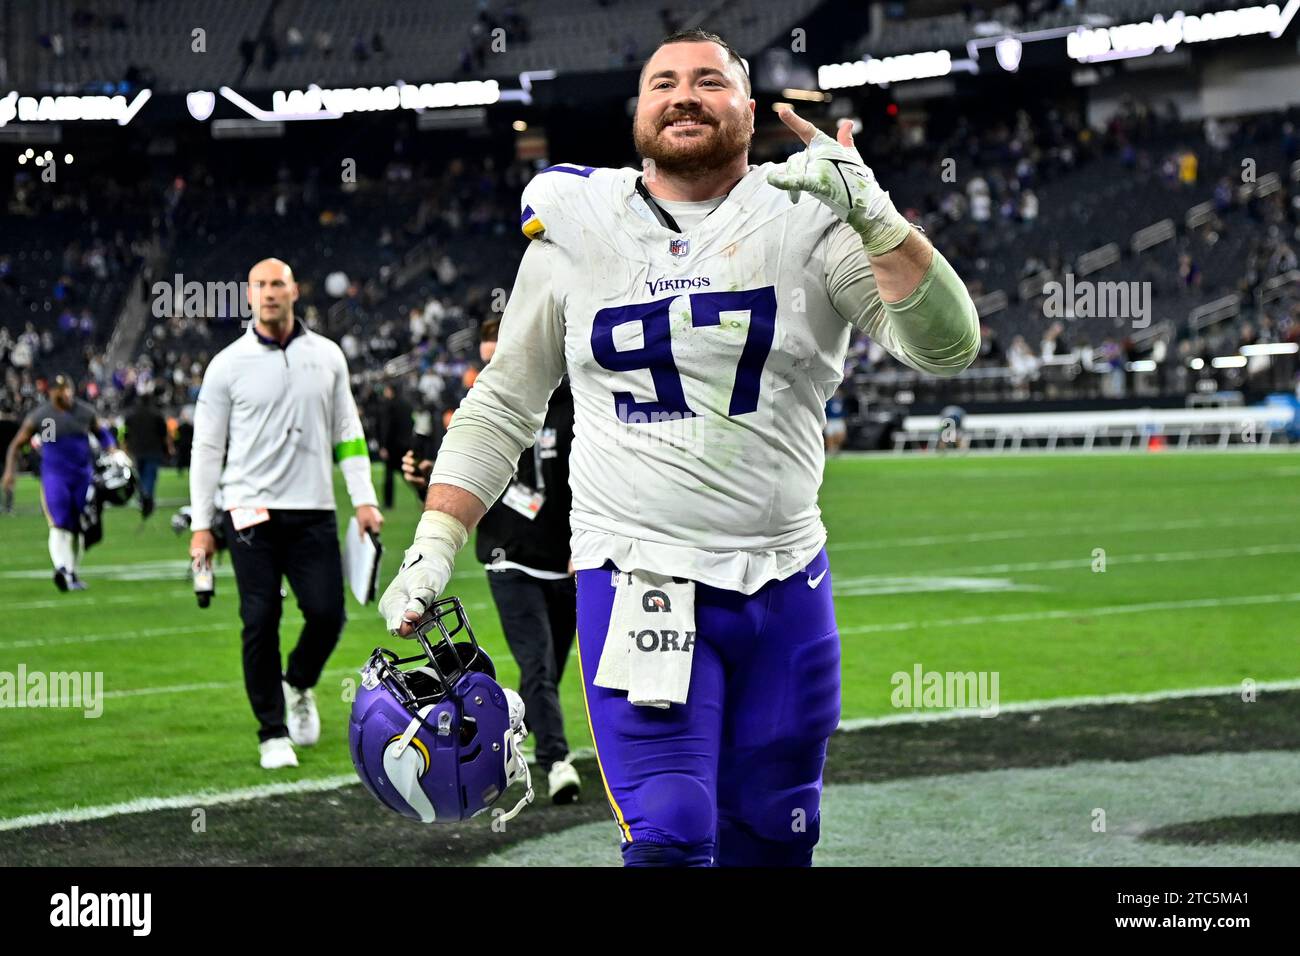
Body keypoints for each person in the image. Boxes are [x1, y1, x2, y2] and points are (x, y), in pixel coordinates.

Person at [379, 29, 979, 866]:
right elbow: (504, 404)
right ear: (638, 110)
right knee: (667, 836)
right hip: (636, 577)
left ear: (749, 107)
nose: (684, 95)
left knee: (775, 834)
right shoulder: (576, 228)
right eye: (663, 82)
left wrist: (880, 221)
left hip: (784, 579)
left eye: (710, 81)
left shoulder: (811, 215)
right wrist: (435, 544)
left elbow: (947, 347)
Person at [189, 258, 383, 771]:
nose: (269, 293)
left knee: (327, 613)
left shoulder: (329, 356)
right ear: (248, 295)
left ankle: (297, 683)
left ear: (294, 290)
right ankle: (271, 732)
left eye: (277, 283)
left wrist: (364, 498)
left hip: (313, 508)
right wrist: (202, 526)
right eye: (259, 285)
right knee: (260, 618)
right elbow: (207, 448)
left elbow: (348, 431)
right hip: (247, 510)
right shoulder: (226, 365)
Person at [403, 316, 582, 803]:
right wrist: (423, 482)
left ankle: (509, 745)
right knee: (538, 664)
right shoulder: (482, 408)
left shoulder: (574, 400)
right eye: (485, 364)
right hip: (507, 558)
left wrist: (585, 541)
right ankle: (558, 761)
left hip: (564, 559)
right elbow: (461, 481)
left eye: (500, 361)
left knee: (544, 668)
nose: (492, 374)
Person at [2, 374, 118, 591]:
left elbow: (102, 434)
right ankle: (61, 569)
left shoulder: (84, 412)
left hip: (83, 476)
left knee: (79, 526)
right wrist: (10, 471)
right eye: (60, 390)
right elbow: (17, 444)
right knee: (59, 522)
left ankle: (72, 572)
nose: (65, 394)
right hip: (55, 476)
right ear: (52, 393)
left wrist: (112, 450)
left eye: (68, 389)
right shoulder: (43, 416)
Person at [123, 390, 173, 518]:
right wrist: (168, 449)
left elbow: (126, 433)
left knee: (140, 475)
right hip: (153, 449)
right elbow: (163, 434)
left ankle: (143, 498)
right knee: (150, 475)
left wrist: (126, 447)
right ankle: (147, 498)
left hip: (137, 450)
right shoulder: (156, 414)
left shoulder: (131, 415)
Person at [376, 382, 413, 510]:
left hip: (392, 446)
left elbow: (386, 427)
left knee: (389, 476)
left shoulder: (389, 406)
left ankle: (388, 503)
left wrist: (383, 445)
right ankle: (424, 496)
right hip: (405, 444)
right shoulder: (407, 405)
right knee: (409, 473)